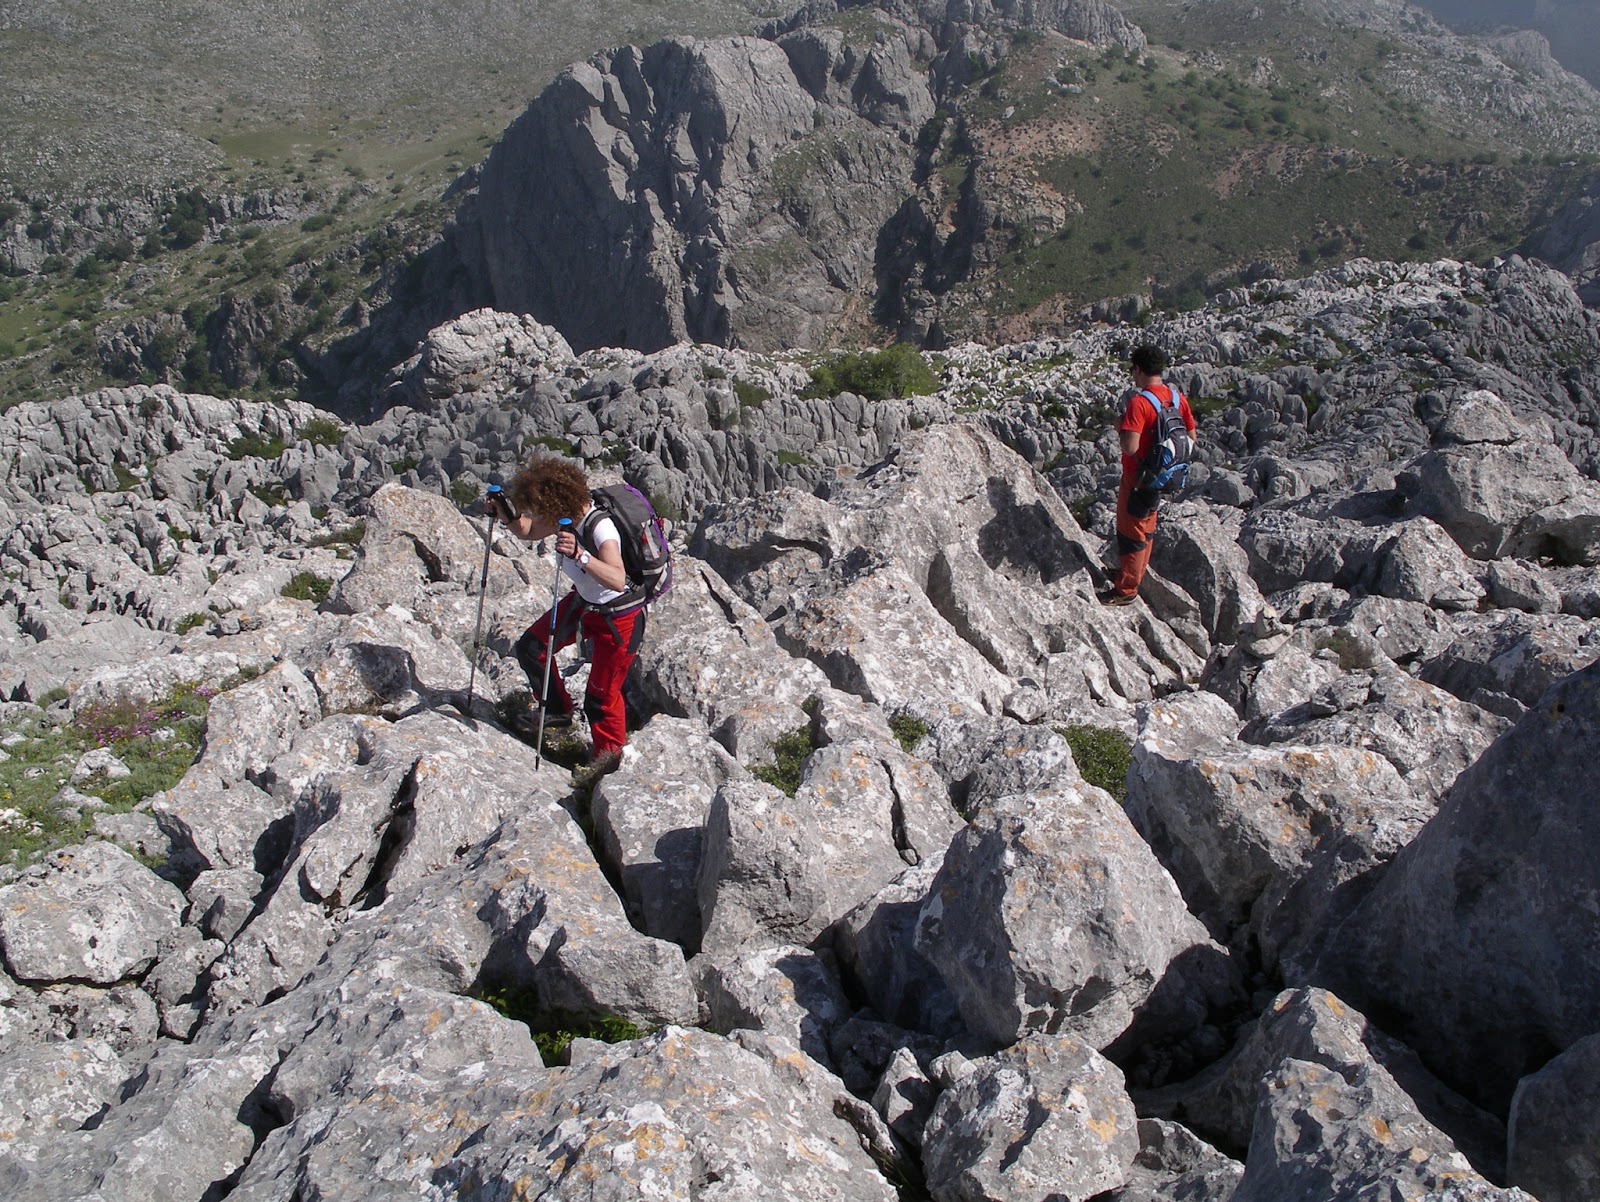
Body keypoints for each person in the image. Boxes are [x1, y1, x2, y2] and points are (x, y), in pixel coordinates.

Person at [496, 455, 637, 777]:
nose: (540, 514)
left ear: (558, 501)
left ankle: (608, 769)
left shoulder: (601, 527)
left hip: (619, 617)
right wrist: (507, 515)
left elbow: (617, 578)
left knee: (601, 699)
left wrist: (580, 554)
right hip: (585, 604)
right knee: (531, 648)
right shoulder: (563, 516)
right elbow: (529, 531)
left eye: (542, 507)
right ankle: (558, 710)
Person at [1100, 343, 1197, 606]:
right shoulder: (1176, 399)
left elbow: (1129, 447)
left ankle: (1126, 589)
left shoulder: (1140, 403)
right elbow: (1191, 437)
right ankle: (1132, 575)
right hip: (1164, 476)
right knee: (1147, 528)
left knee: (1131, 532)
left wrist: (1121, 427)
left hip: (1137, 478)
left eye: (1133, 370)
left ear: (1139, 370)